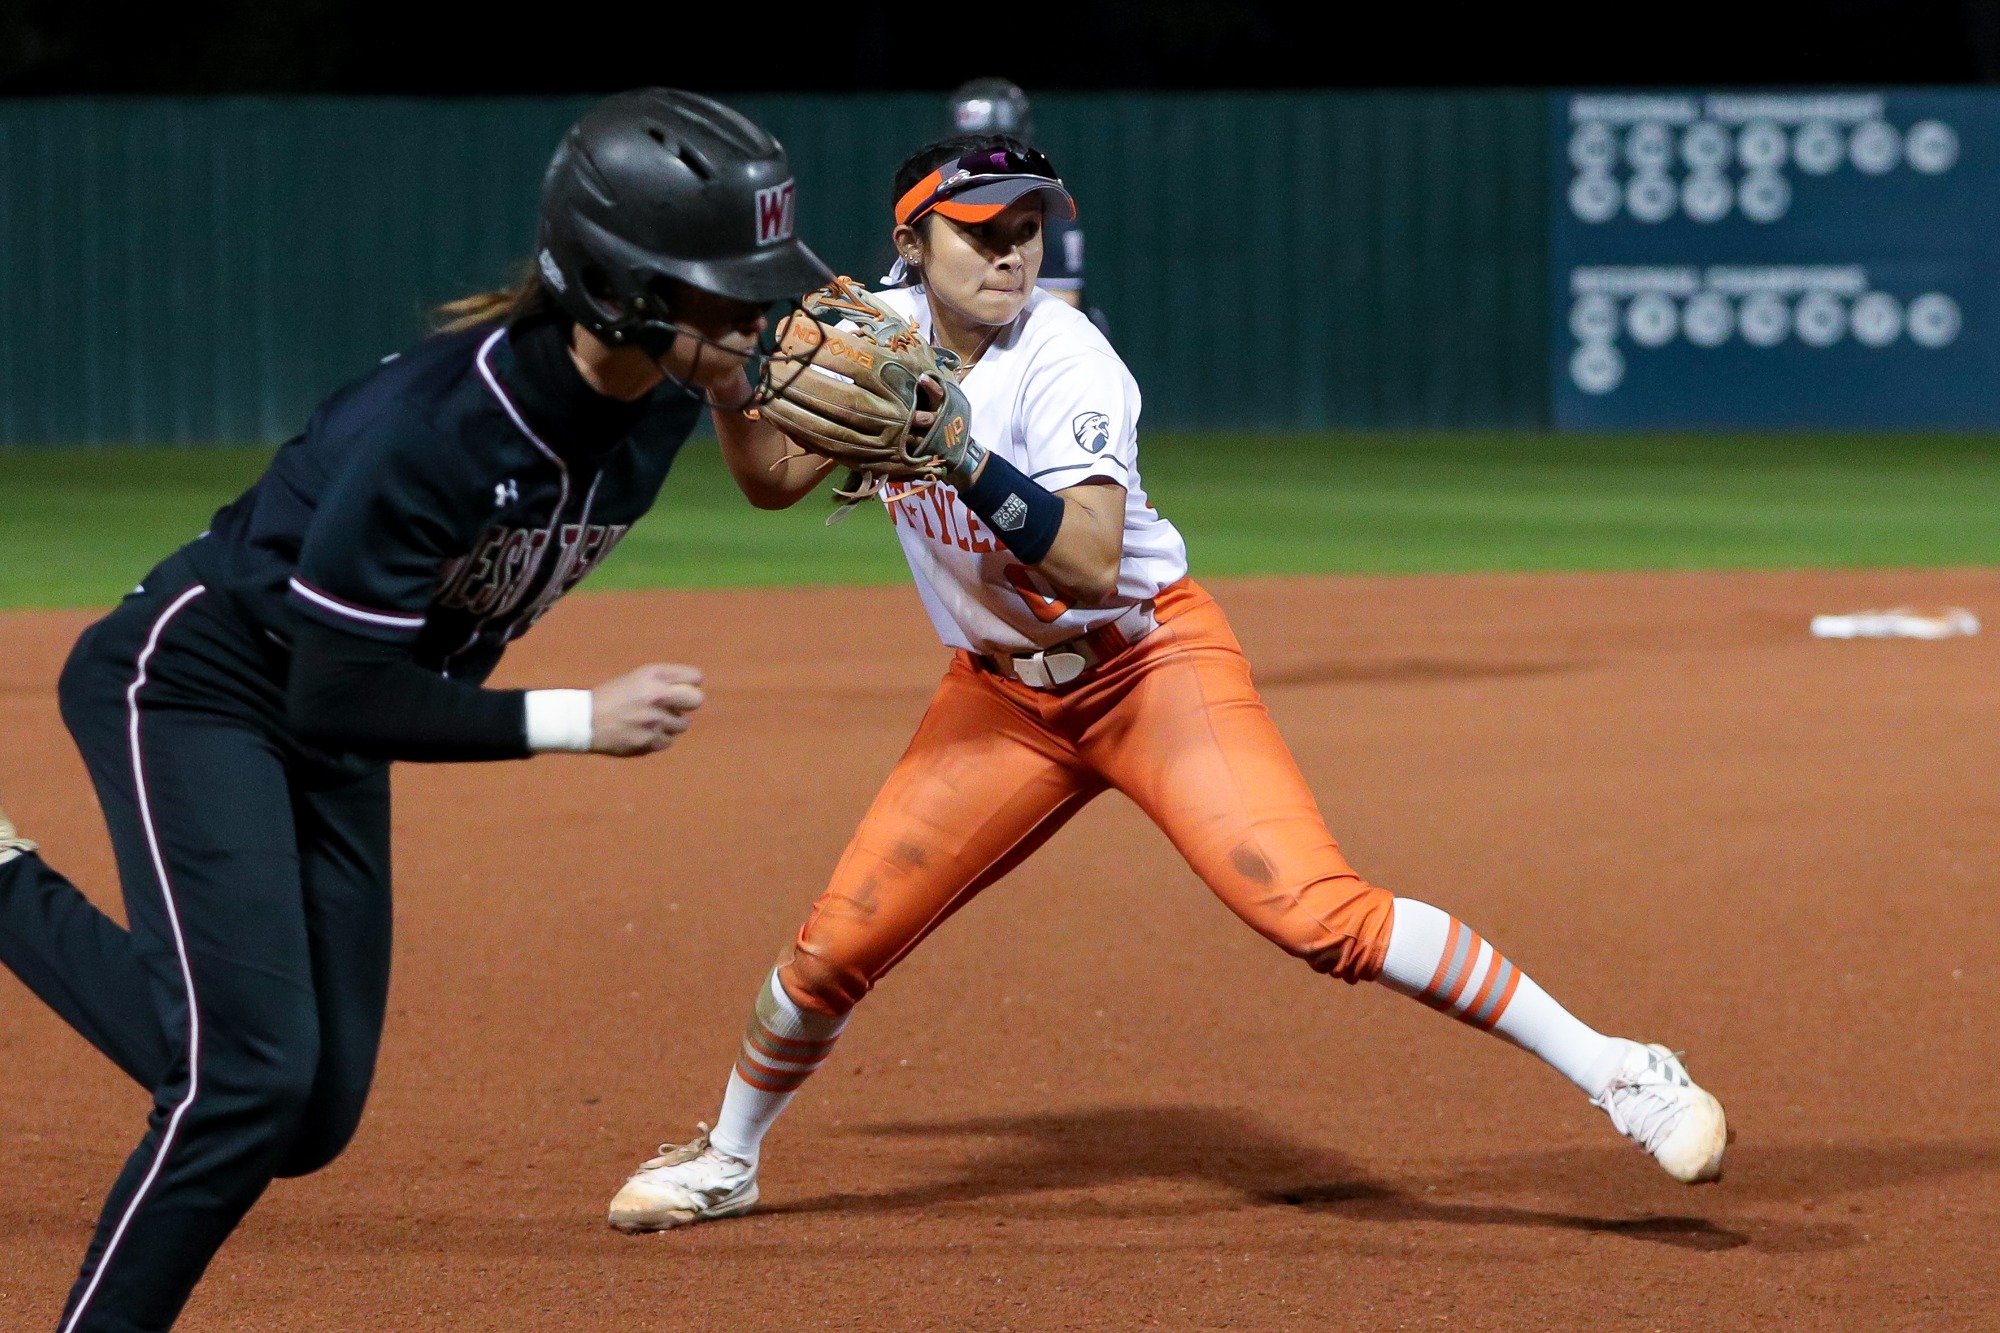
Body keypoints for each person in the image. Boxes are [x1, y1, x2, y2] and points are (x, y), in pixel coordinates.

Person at [603, 132, 1729, 1233]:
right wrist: (720, 392)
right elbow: (774, 482)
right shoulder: (872, 340)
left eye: (1030, 228)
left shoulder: (1068, 358)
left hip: (1147, 664)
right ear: (913, 242)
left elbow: (1088, 558)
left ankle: (1622, 1069)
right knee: (833, 946)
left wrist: (958, 453)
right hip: (998, 701)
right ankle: (728, 1157)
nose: (1013, 251)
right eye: (983, 230)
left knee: (1317, 915)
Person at [0, 88, 829, 1331]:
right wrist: (569, 720)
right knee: (240, 1087)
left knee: (307, 1113)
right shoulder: (439, 428)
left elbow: (767, 472)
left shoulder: (659, 405)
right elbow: (332, 687)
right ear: (622, 288)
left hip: (339, 714)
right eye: (727, 288)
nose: (758, 314)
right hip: (198, 684)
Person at [944, 79, 1090, 315]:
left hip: (1028, 334)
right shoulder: (939, 199)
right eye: (972, 144)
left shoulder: (1044, 202)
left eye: (998, 144)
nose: (985, 154)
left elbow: (1063, 301)